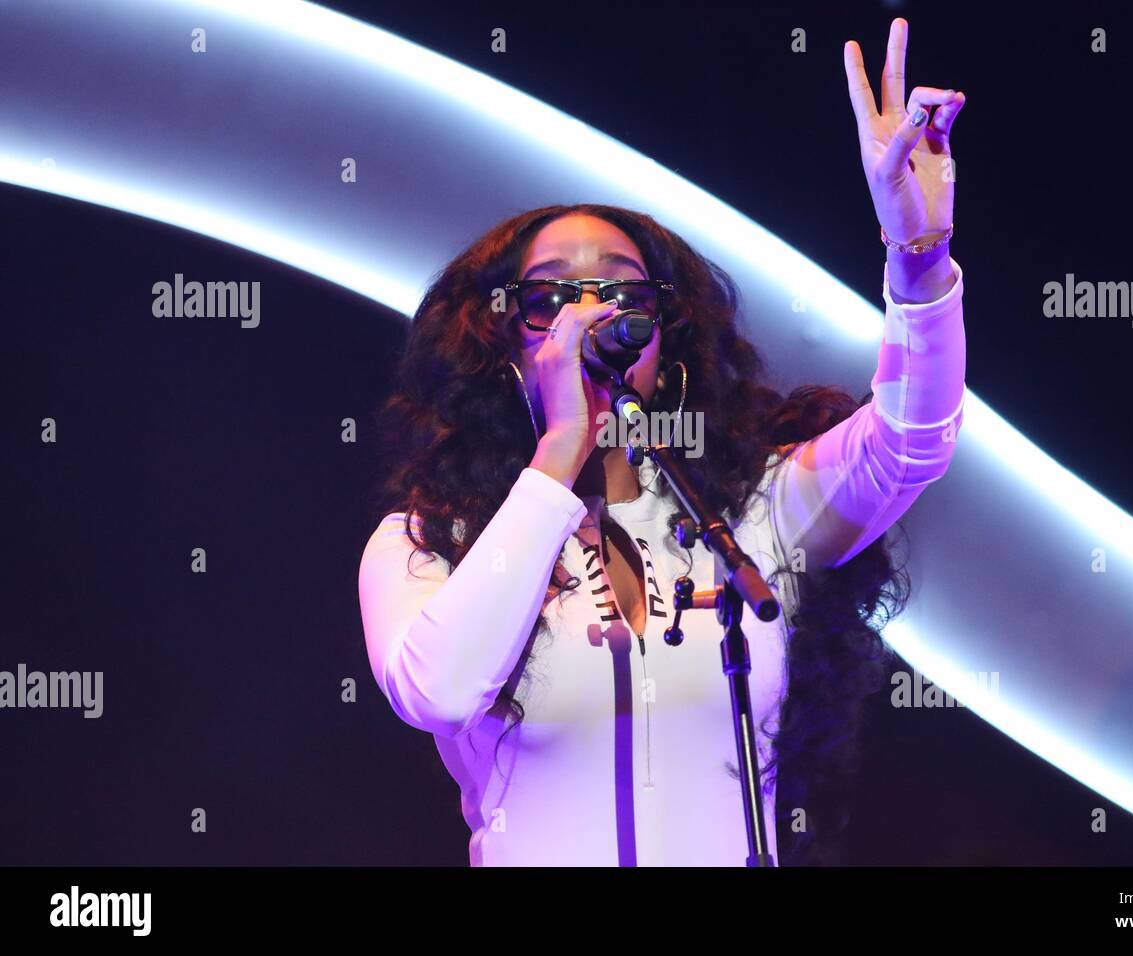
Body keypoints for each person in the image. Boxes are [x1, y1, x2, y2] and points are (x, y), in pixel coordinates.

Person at [358, 18, 967, 866]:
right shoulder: (428, 544)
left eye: (620, 294)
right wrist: (562, 445)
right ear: (501, 341)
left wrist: (919, 253)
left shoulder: (753, 514)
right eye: (551, 298)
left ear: (665, 338)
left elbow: (913, 441)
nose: (589, 318)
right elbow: (440, 688)